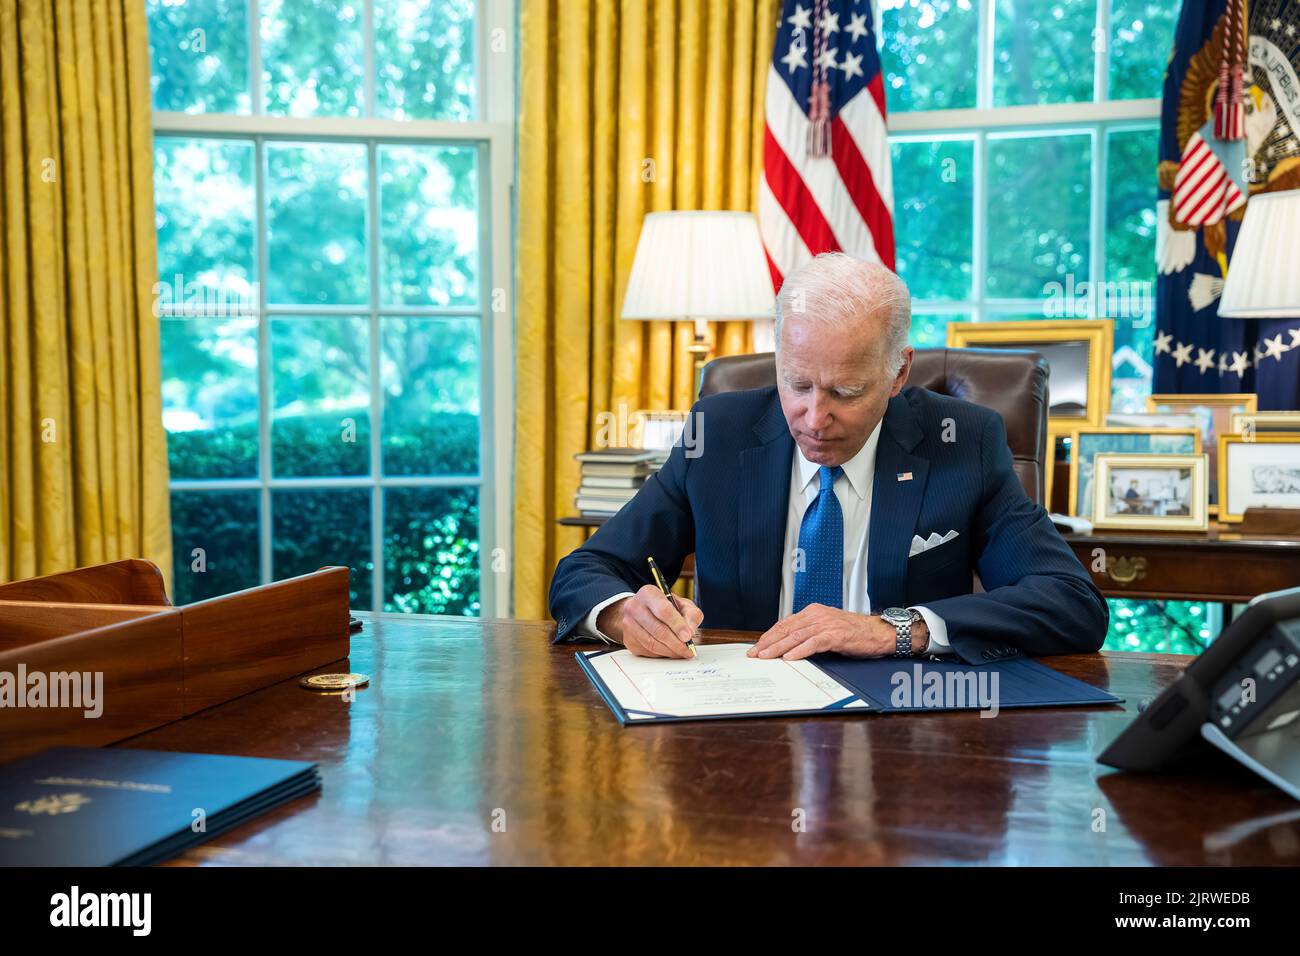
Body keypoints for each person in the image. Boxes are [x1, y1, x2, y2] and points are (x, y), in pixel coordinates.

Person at [549, 253, 1109, 663]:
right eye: (797, 385)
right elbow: (585, 570)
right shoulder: (717, 434)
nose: (814, 418)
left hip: (905, 732)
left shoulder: (963, 441)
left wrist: (894, 629)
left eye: (845, 392)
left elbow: (1071, 602)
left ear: (899, 373)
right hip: (740, 728)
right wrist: (625, 614)